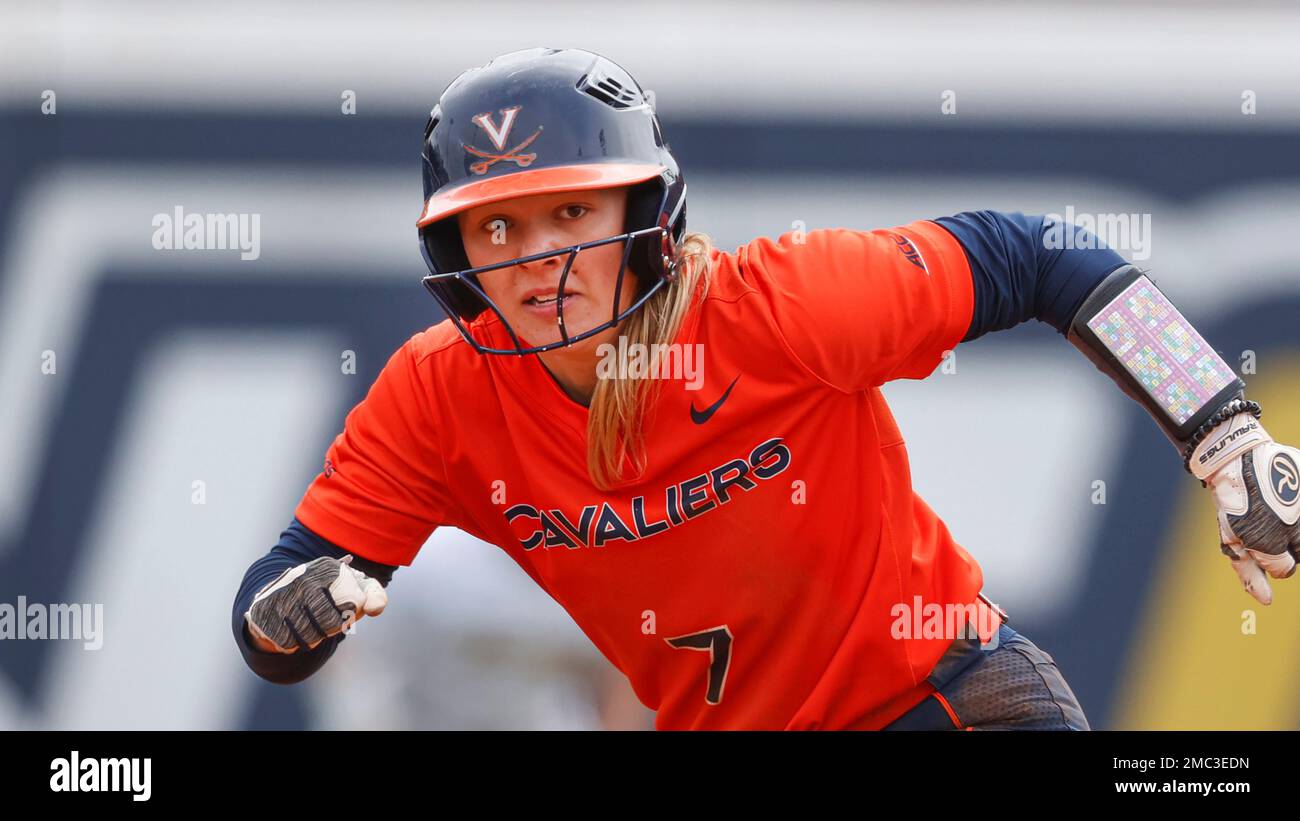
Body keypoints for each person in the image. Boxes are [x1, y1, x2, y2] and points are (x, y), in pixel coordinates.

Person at [231, 47, 1300, 730]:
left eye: (572, 214)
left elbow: (1042, 252)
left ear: (644, 216)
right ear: (455, 248)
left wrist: (1220, 426)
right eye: (499, 224)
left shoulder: (774, 306)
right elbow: (277, 610)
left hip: (938, 703)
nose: (537, 258)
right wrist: (290, 619)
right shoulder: (435, 398)